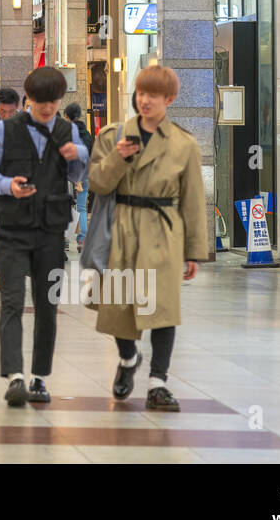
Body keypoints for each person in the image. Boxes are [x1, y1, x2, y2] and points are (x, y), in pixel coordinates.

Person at [87, 66, 208, 411]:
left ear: (169, 99)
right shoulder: (113, 136)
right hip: (122, 229)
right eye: (141, 93)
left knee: (164, 310)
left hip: (164, 231)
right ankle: (128, 359)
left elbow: (193, 200)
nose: (145, 100)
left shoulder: (183, 144)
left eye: (153, 95)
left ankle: (158, 383)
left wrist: (193, 252)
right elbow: (96, 184)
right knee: (118, 309)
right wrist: (117, 159)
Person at [0, 66, 88, 407]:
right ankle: (15, 377)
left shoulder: (69, 130)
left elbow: (79, 175)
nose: (48, 108)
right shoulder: (7, 129)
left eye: (53, 101)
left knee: (47, 306)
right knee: (11, 302)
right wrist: (8, 185)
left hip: (52, 231)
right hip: (11, 228)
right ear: (29, 99)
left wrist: (77, 158)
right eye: (41, 102)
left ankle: (39, 377)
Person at [64, 102, 95, 251]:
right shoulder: (87, 133)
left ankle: (65, 241)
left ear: (66, 116)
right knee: (82, 207)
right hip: (85, 173)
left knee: (66, 207)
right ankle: (82, 239)